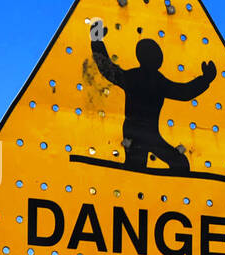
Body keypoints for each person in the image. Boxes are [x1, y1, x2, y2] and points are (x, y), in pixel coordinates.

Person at [90, 32, 216, 173]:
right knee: (172, 164)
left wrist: (96, 41)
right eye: (155, 53)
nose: (159, 56)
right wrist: (205, 80)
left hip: (145, 133)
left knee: (175, 164)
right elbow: (183, 92)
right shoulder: (146, 79)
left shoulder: (143, 78)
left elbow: (107, 69)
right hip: (138, 133)